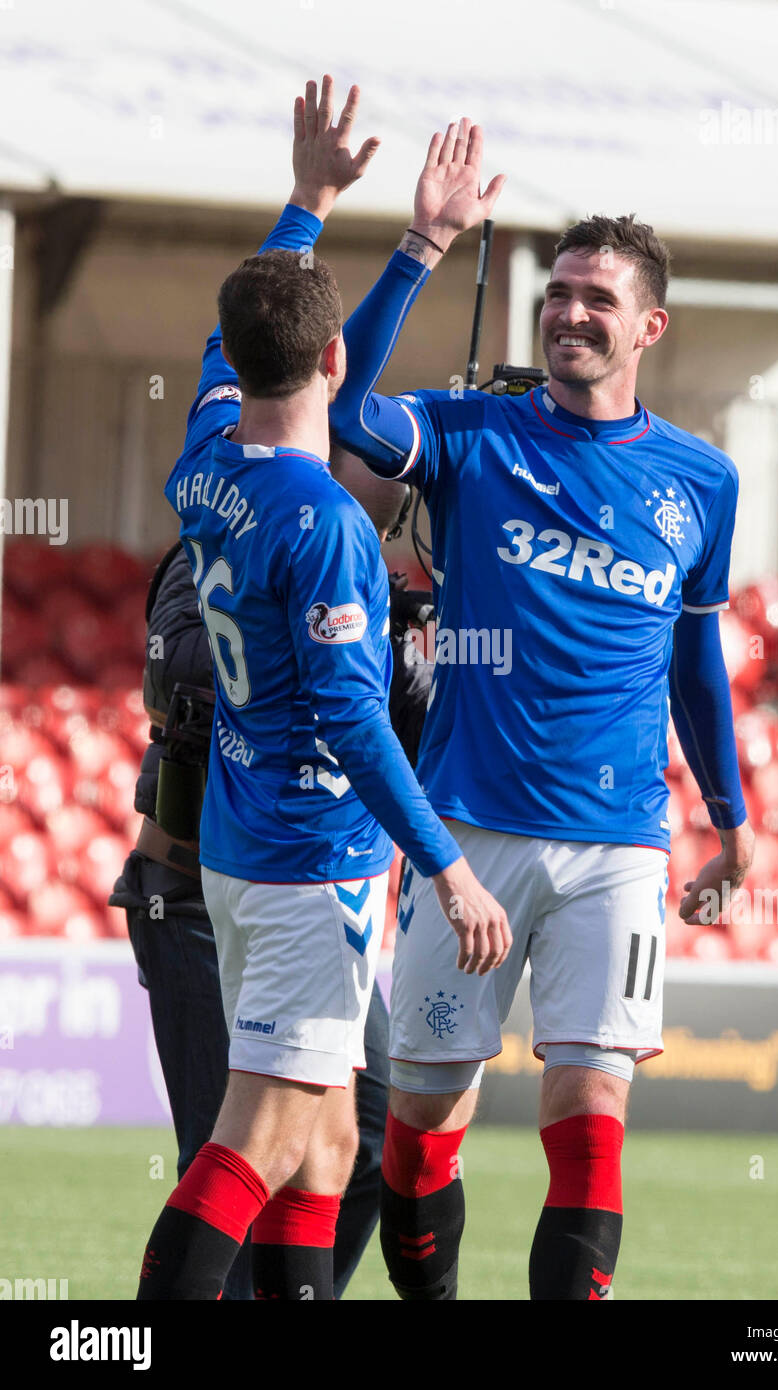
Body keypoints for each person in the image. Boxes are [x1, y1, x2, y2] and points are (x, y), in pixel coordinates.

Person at [329, 117, 756, 1300]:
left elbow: (695, 658)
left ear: (648, 326)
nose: (569, 315)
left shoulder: (700, 480)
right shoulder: (474, 432)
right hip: (465, 828)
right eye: (558, 295)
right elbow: (343, 406)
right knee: (419, 1130)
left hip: (619, 837)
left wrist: (731, 817)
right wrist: (422, 241)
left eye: (596, 301)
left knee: (590, 1108)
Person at [135, 79, 510, 1301]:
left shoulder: (206, 463)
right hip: (309, 855)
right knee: (257, 1140)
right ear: (340, 360)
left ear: (231, 359)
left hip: (245, 839)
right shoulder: (333, 529)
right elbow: (353, 717)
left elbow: (256, 333)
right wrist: (448, 866)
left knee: (332, 1145)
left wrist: (313, 206)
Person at [112, 452, 425, 1300]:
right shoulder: (228, 533)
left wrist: (393, 657)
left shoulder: (357, 568)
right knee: (247, 1145)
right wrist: (334, 651)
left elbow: (387, 734)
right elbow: (175, 671)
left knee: (347, 1140)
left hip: (312, 882)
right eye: (380, 458)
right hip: (196, 891)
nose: (401, 489)